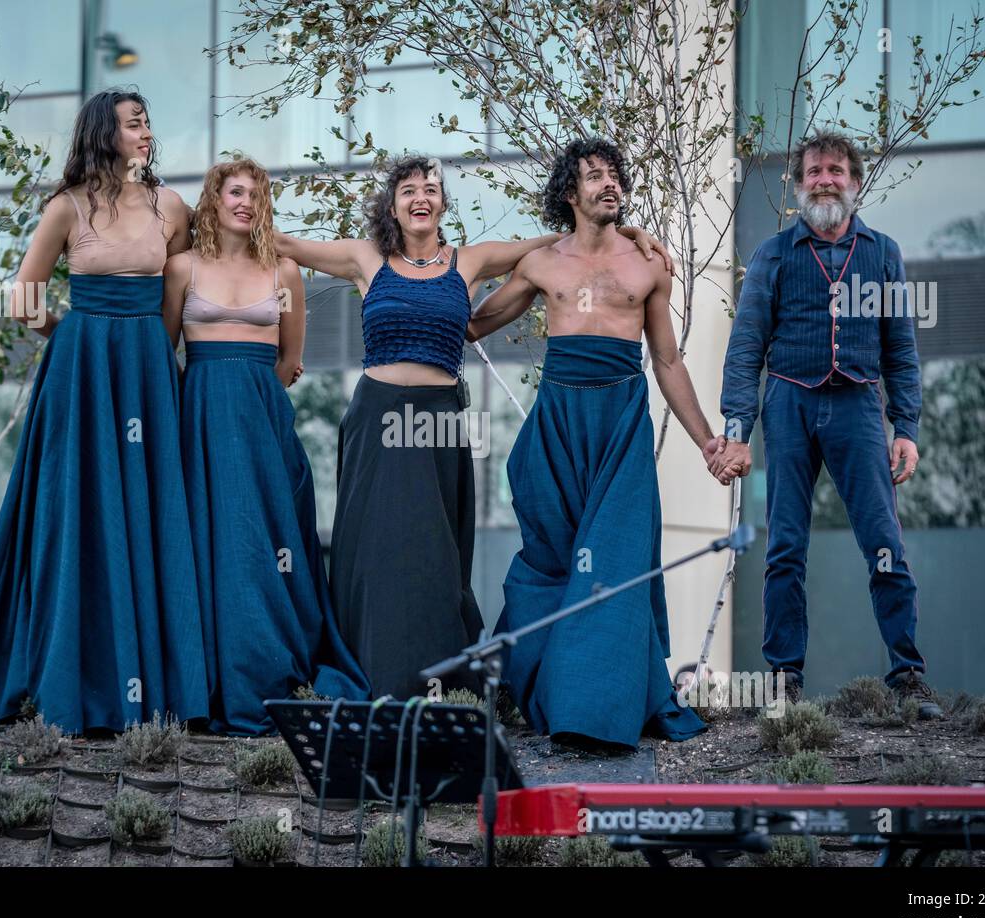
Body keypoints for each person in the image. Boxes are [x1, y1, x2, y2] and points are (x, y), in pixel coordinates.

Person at [273, 154, 671, 699]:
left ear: (442, 205)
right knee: (374, 549)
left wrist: (626, 229)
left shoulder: (469, 260)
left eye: (431, 190)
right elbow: (284, 245)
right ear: (392, 204)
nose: (421, 197)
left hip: (439, 421)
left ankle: (435, 685)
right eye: (409, 189)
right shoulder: (365, 257)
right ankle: (371, 675)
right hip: (376, 418)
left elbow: (561, 242)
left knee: (436, 554)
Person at [0, 90, 210, 735]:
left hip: (148, 369)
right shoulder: (65, 208)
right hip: (83, 373)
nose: (146, 131)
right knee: (78, 511)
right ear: (104, 133)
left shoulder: (172, 207)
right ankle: (64, 675)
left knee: (148, 513)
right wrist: (79, 341)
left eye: (148, 121)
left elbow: (196, 279)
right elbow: (25, 300)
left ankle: (157, 683)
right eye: (132, 123)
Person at [467, 137, 718, 751]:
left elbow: (666, 358)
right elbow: (472, 323)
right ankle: (533, 676)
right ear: (570, 193)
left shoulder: (647, 264)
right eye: (595, 176)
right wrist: (409, 295)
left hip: (621, 421)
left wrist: (709, 442)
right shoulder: (541, 264)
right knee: (555, 560)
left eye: (615, 176)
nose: (610, 184)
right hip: (558, 424)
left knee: (614, 562)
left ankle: (591, 709)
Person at [714, 129, 941, 718]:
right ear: (799, 185)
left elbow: (902, 347)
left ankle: (908, 674)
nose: (825, 179)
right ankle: (784, 678)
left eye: (836, 170)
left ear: (854, 182)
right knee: (785, 545)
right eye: (814, 171)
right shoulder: (773, 253)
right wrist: (737, 424)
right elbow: (746, 346)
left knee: (884, 543)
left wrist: (906, 426)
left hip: (860, 407)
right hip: (788, 403)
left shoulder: (883, 252)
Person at [162, 156, 370, 734]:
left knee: (267, 542)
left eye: (255, 194)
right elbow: (163, 351)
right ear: (214, 199)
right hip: (198, 419)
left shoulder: (283, 273)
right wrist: (214, 398)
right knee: (210, 542)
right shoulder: (180, 268)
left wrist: (247, 398)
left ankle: (269, 668)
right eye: (234, 191)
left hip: (262, 422)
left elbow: (290, 360)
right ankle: (204, 679)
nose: (245, 202)